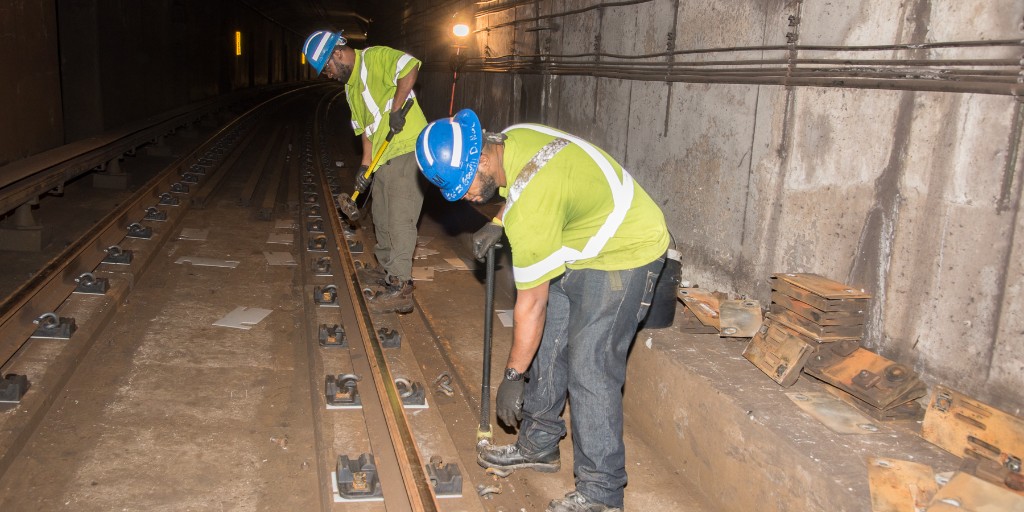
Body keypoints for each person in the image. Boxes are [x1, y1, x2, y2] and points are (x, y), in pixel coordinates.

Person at [415, 109, 669, 512]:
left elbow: (529, 304)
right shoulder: (513, 137)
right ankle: (539, 443)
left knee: (590, 367)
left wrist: (513, 376)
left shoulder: (532, 211)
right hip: (580, 239)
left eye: (464, 186)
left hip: (625, 250)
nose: (465, 197)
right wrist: (498, 222)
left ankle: (602, 494)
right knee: (550, 342)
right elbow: (523, 186)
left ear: (482, 157)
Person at [302, 29, 427, 314]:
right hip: (383, 156)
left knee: (399, 218)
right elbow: (366, 131)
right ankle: (387, 272)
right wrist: (364, 167)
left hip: (406, 147)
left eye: (328, 68)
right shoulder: (349, 89)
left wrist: (397, 109)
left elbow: (410, 66)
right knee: (381, 217)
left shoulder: (374, 57)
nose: (329, 75)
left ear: (337, 53)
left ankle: (401, 286)